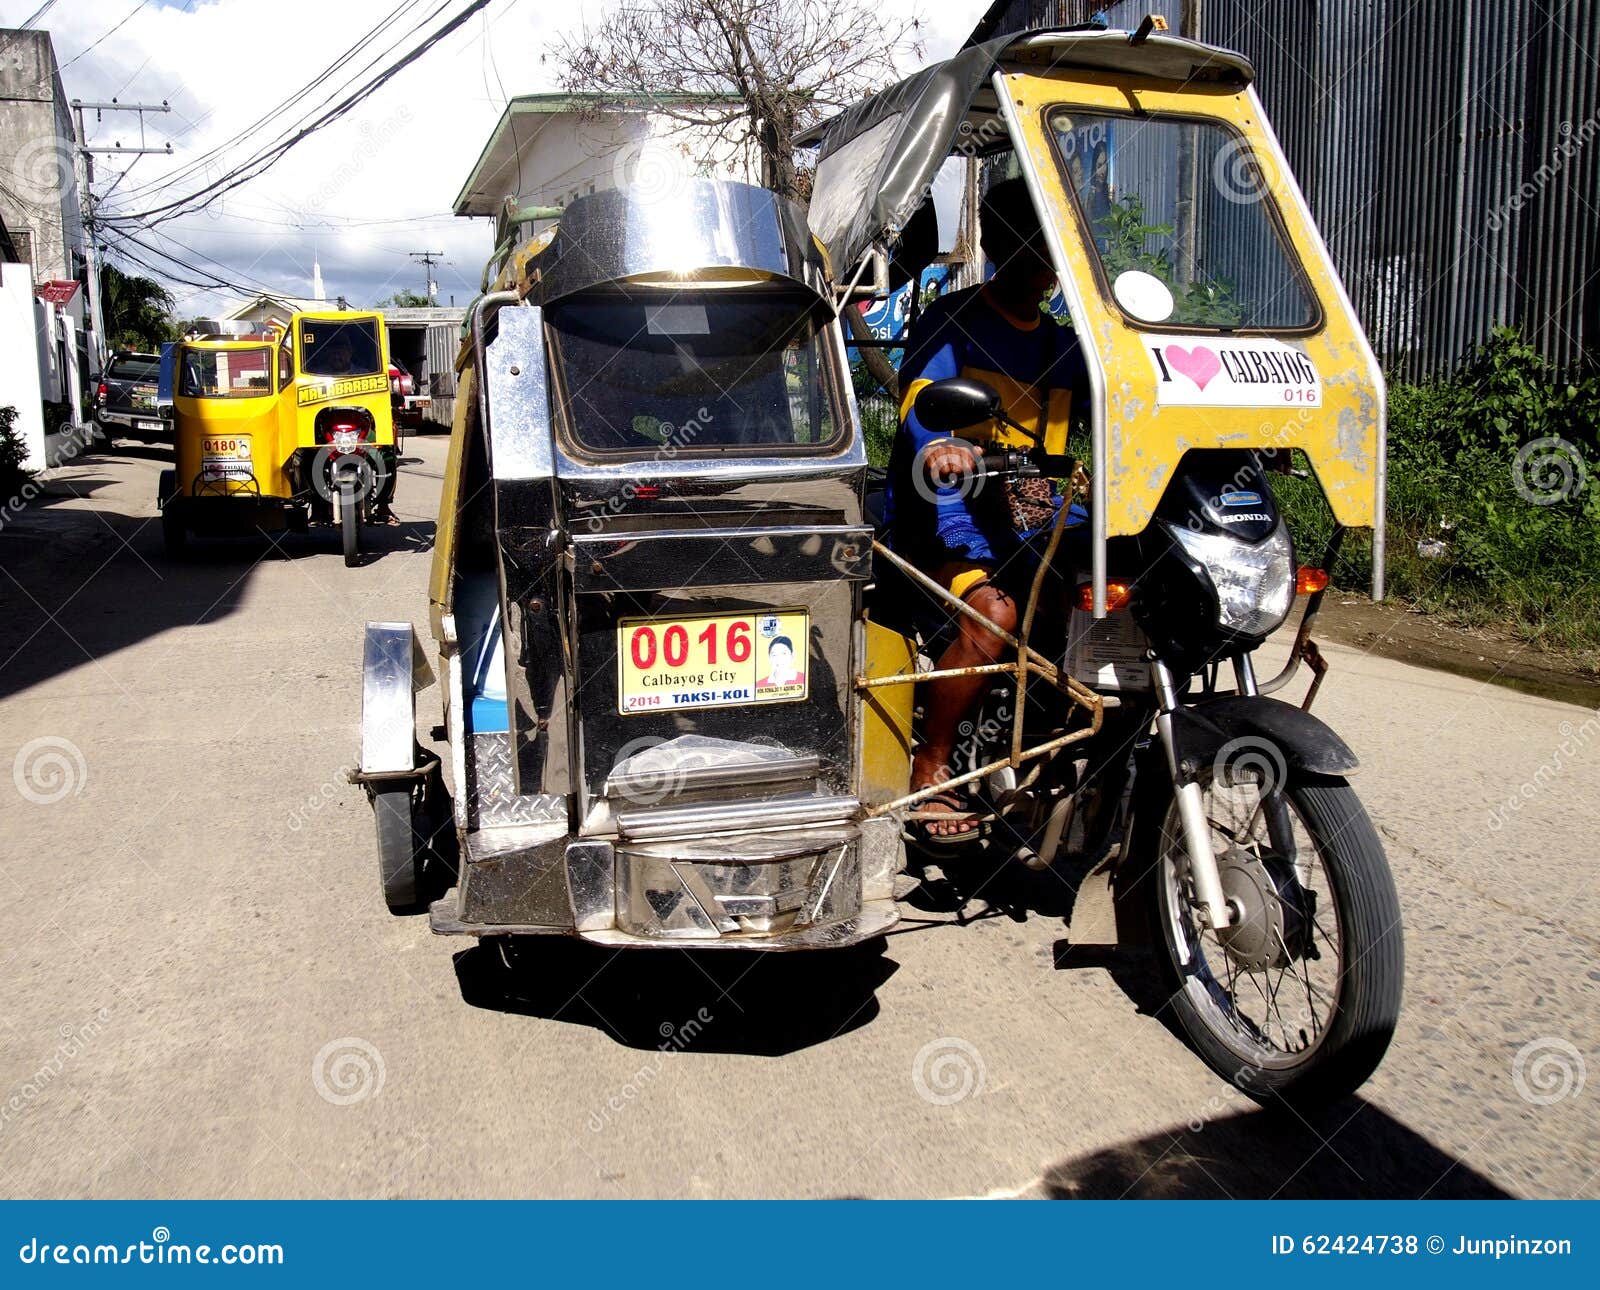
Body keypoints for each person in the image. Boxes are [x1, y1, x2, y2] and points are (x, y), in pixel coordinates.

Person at [885, 178, 1090, 840]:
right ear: (1002, 246)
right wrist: (943, 443)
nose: (1046, 260)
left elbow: (1126, 406)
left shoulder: (1066, 345)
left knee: (1110, 599)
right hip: (950, 525)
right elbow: (921, 397)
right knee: (992, 617)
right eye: (1032, 243)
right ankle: (931, 767)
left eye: (1053, 244)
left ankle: (1064, 745)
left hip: (1042, 524)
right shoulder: (953, 321)